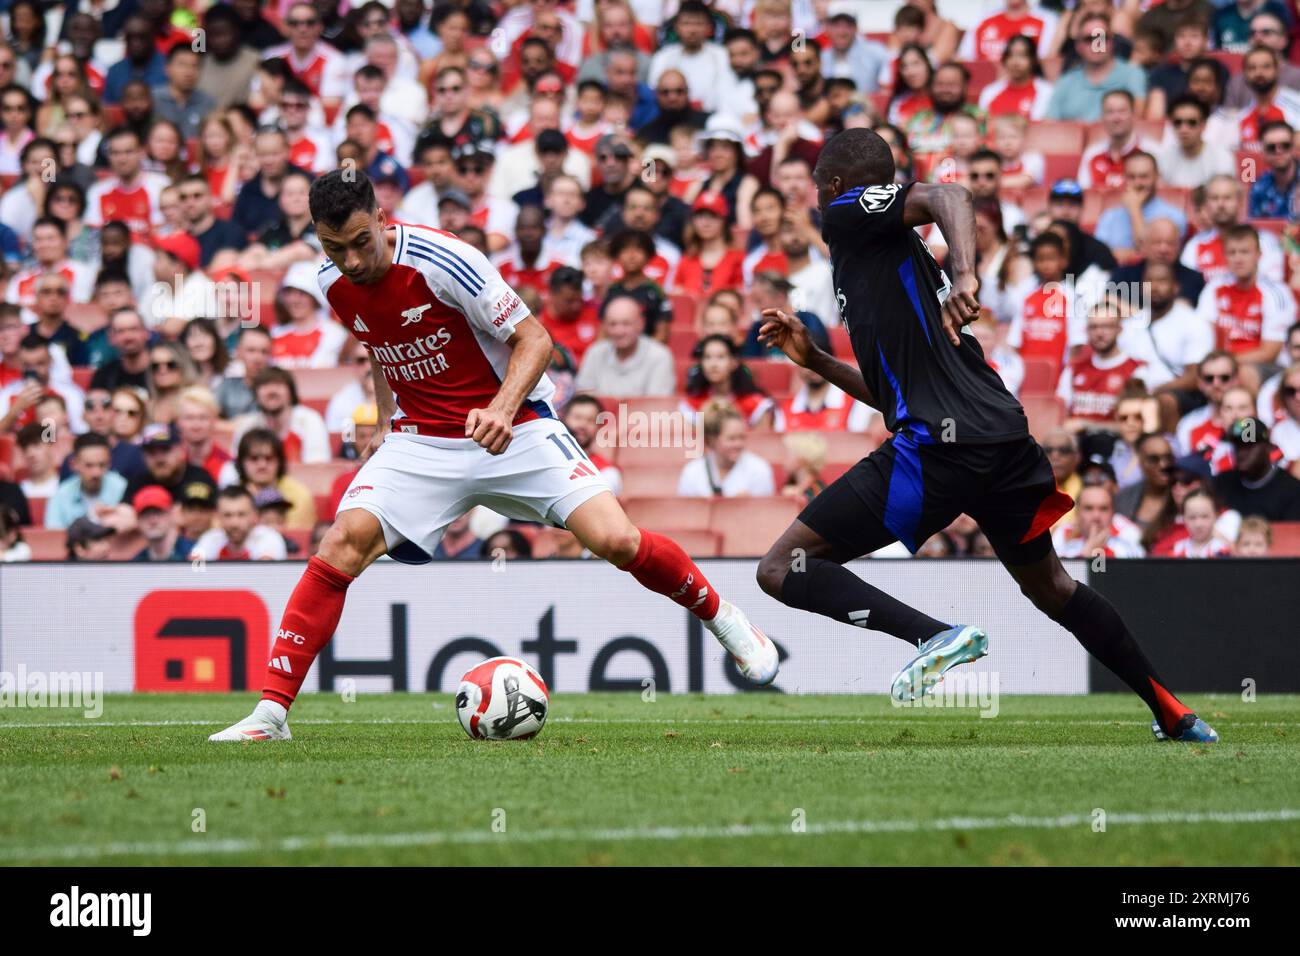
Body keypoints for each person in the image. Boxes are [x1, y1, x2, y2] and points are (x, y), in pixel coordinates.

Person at [208, 169, 777, 741]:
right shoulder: (329, 279)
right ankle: (271, 715)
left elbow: (535, 340)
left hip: (516, 427)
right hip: (422, 441)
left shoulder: (445, 259)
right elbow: (378, 343)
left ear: (383, 219)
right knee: (341, 542)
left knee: (616, 541)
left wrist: (503, 408)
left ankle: (725, 619)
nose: (353, 260)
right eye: (337, 248)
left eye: (362, 242)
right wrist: (384, 422)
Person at [753, 127, 1218, 744]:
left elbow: (953, 196)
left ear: (834, 187)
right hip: (1001, 437)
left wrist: (968, 274)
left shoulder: (846, 215)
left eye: (818, 190)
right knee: (1052, 585)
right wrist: (816, 360)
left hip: (941, 450)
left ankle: (932, 637)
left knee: (783, 567)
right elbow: (892, 399)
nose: (817, 203)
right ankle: (1172, 712)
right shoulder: (887, 262)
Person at [676, 400, 776, 498]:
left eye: (742, 437)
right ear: (712, 440)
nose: (738, 444)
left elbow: (764, 512)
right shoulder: (692, 473)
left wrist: (747, 506)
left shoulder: (759, 469)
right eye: (731, 439)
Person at [131, 485, 193, 561]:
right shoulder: (137, 561)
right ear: (138, 521)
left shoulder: (194, 552)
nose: (152, 521)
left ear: (171, 514)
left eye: (158, 512)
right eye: (145, 514)